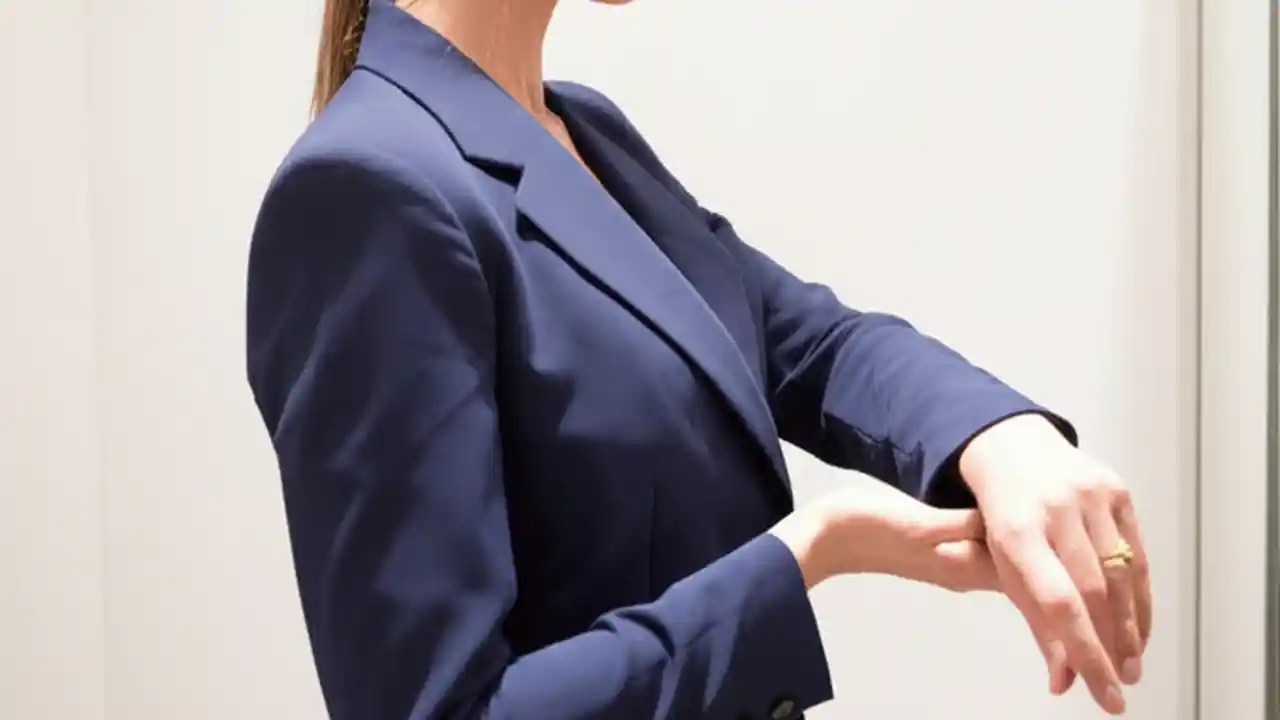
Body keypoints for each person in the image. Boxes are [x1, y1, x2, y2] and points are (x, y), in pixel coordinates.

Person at [246, 0, 1152, 717]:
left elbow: (807, 343)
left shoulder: (583, 131)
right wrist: (808, 554)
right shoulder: (367, 189)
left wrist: (1004, 441)